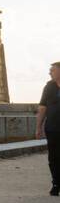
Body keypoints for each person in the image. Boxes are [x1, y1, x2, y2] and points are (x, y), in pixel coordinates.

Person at [36, 61, 60, 196]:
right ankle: (56, 183)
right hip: (52, 128)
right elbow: (42, 107)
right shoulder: (49, 87)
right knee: (54, 158)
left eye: (53, 70)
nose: (50, 72)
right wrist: (38, 127)